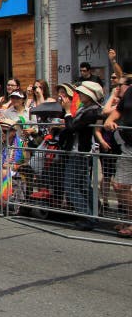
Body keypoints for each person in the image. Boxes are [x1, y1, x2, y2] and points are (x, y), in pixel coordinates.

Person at [59, 81, 104, 230]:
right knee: (84, 185)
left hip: (80, 152)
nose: (80, 94)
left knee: (70, 186)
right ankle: (93, 215)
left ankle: (88, 217)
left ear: (91, 95)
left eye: (83, 92)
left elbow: (72, 127)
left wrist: (67, 112)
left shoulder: (91, 111)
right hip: (79, 151)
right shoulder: (85, 109)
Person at [103, 75, 132, 236]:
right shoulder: (129, 93)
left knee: (122, 185)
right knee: (120, 185)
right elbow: (116, 112)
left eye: (121, 84)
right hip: (128, 146)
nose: (118, 87)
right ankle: (129, 219)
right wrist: (109, 121)